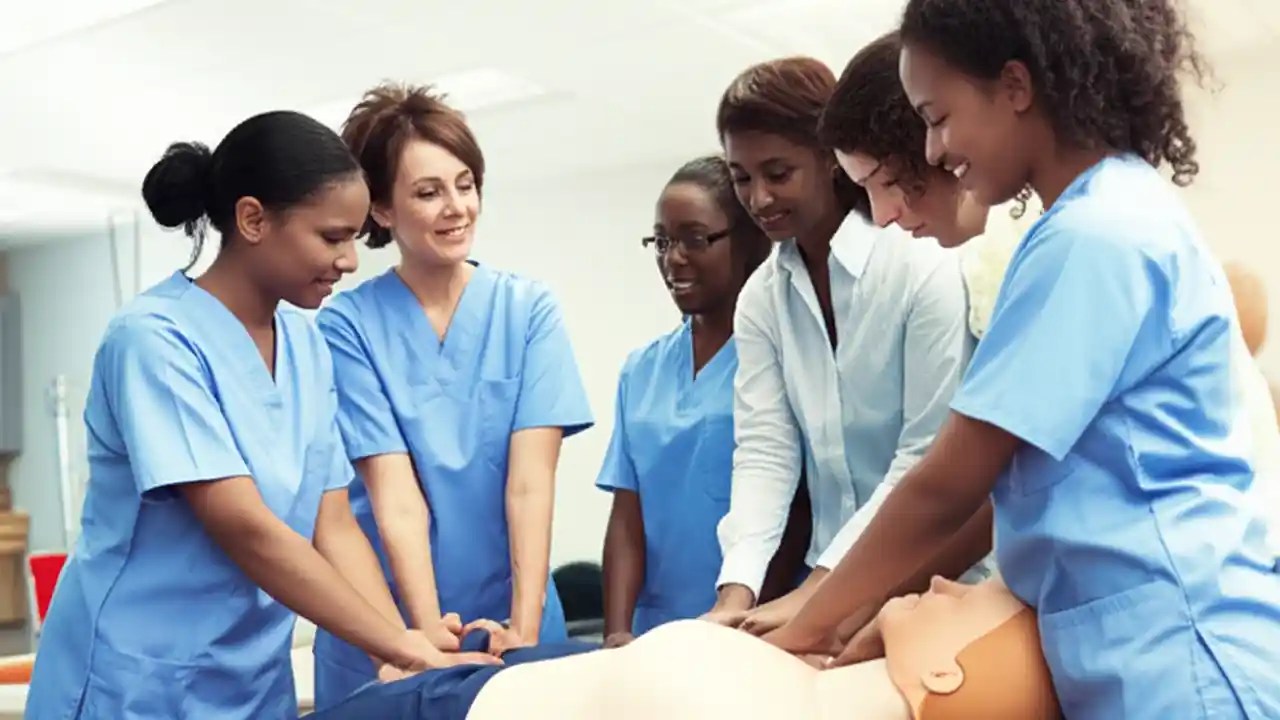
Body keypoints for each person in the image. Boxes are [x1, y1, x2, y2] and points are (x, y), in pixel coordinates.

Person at [764, 2, 1280, 718]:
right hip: (1140, 651)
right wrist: (853, 612)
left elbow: (949, 480)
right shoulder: (1099, 218)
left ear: (1014, 86)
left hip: (1182, 658)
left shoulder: (1095, 237)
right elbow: (1006, 484)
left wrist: (801, 634)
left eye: (938, 117)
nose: (936, 149)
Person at [25, 110, 487, 720]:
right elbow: (245, 526)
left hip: (249, 682)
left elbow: (333, 524)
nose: (350, 260)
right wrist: (398, 642)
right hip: (138, 681)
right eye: (331, 237)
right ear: (252, 220)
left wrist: (396, 646)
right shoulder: (154, 341)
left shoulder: (305, 345)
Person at [819, 27, 1280, 561]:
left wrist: (818, 616)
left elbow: (950, 484)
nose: (882, 215)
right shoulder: (1084, 214)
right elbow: (1007, 484)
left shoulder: (1060, 244)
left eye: (888, 179)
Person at [311, 83, 594, 709]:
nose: (456, 207)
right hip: (389, 622)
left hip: (511, 616)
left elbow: (529, 484)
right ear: (380, 209)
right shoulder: (346, 327)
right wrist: (422, 637)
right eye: (428, 192)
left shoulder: (527, 310)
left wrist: (522, 628)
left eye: (465, 184)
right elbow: (395, 495)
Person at [704, 56, 991, 634]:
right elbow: (765, 451)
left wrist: (816, 600)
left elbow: (924, 460)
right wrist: (735, 595)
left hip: (947, 581)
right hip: (828, 583)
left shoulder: (923, 261)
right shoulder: (762, 297)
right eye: (741, 177)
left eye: (777, 173)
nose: (757, 198)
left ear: (831, 159)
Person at [308, 576, 1060, 720]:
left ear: (945, 674)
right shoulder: (811, 676)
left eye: (967, 602)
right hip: (474, 684)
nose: (944, 582)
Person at [597, 156, 772, 647]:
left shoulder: (774, 362)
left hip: (750, 627)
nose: (673, 257)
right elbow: (627, 515)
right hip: (657, 634)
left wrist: (746, 628)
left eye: (694, 239)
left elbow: (794, 507)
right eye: (663, 240)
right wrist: (616, 631)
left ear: (748, 240)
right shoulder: (642, 369)